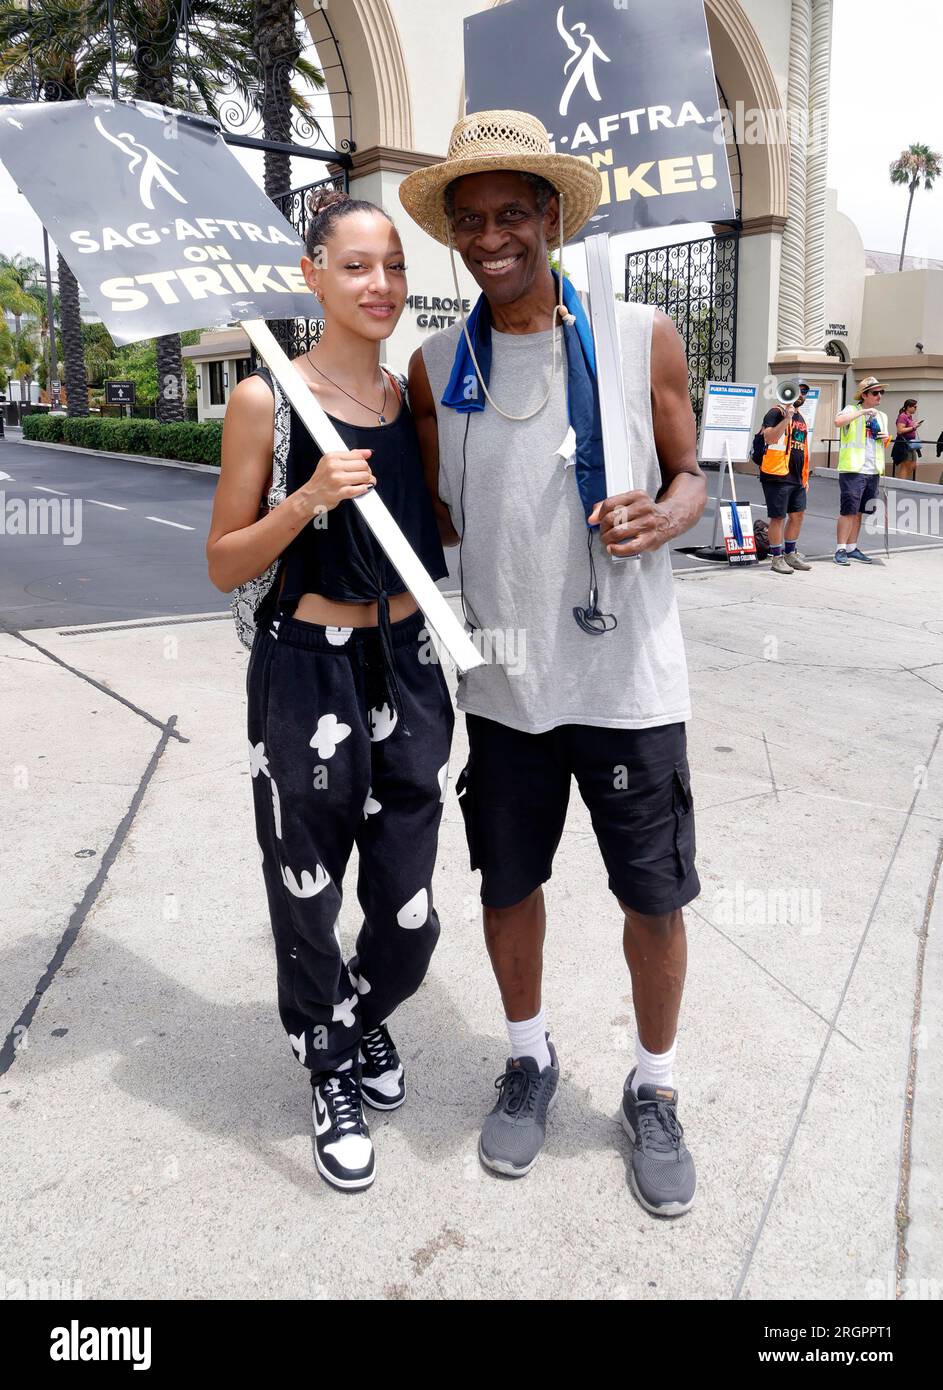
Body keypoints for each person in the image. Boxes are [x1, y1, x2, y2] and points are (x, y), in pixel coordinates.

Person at [400, 110, 706, 1217]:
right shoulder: (438, 366)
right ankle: (528, 1056)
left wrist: (661, 515)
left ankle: (653, 1086)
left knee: (653, 896)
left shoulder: (639, 336)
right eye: (470, 221)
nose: (491, 238)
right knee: (508, 883)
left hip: (626, 683)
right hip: (505, 690)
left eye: (512, 215)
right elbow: (428, 513)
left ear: (551, 218)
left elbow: (693, 478)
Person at [206, 188, 454, 1192]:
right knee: (304, 883)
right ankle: (327, 1063)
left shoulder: (409, 400)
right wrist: (307, 497)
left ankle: (354, 1015)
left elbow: (440, 524)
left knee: (409, 906)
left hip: (409, 664)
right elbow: (225, 561)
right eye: (356, 265)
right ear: (312, 276)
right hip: (306, 669)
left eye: (393, 265)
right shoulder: (266, 397)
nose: (380, 284)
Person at [833, 377, 890, 565]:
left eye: (881, 392)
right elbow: (838, 422)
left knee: (859, 511)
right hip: (853, 469)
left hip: (872, 470)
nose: (879, 396)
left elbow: (883, 442)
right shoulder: (852, 409)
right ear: (864, 395)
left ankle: (851, 548)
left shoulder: (882, 416)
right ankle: (840, 549)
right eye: (875, 392)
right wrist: (864, 412)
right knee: (848, 510)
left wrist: (887, 437)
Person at [759, 383, 813, 574]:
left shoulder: (802, 418)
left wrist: (805, 476)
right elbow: (770, 438)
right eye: (799, 390)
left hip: (797, 477)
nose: (802, 395)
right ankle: (776, 557)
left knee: (798, 515)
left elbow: (803, 448)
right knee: (778, 517)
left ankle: (790, 553)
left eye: (805, 392)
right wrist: (787, 418)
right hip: (776, 474)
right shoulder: (775, 413)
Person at [892, 398, 923, 481]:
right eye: (915, 407)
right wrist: (913, 427)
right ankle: (902, 484)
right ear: (909, 407)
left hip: (910, 444)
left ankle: (904, 482)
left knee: (913, 465)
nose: (916, 409)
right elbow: (900, 430)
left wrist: (914, 425)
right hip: (904, 443)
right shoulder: (903, 416)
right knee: (906, 465)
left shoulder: (909, 417)